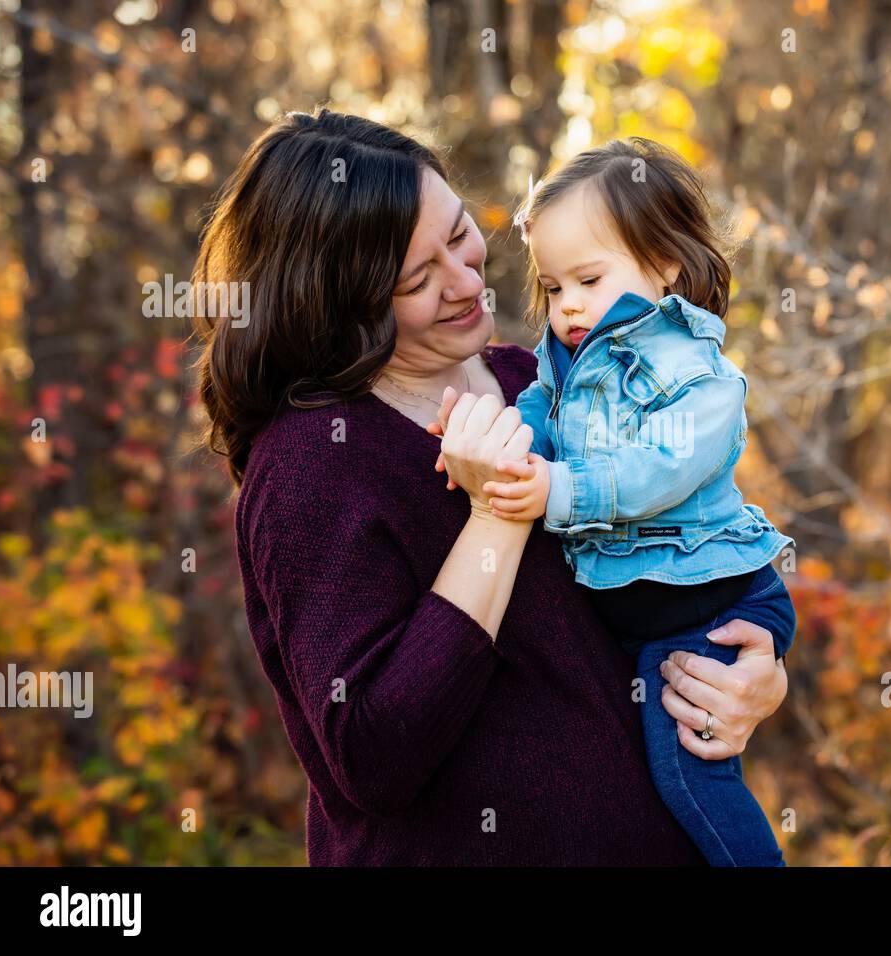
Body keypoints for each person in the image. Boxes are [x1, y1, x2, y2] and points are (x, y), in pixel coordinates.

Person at [191, 108, 790, 865]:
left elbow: (664, 564)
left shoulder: (537, 379)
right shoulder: (315, 464)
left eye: (458, 231)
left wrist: (753, 674)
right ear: (343, 306)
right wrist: (499, 513)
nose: (465, 276)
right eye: (417, 277)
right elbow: (374, 754)